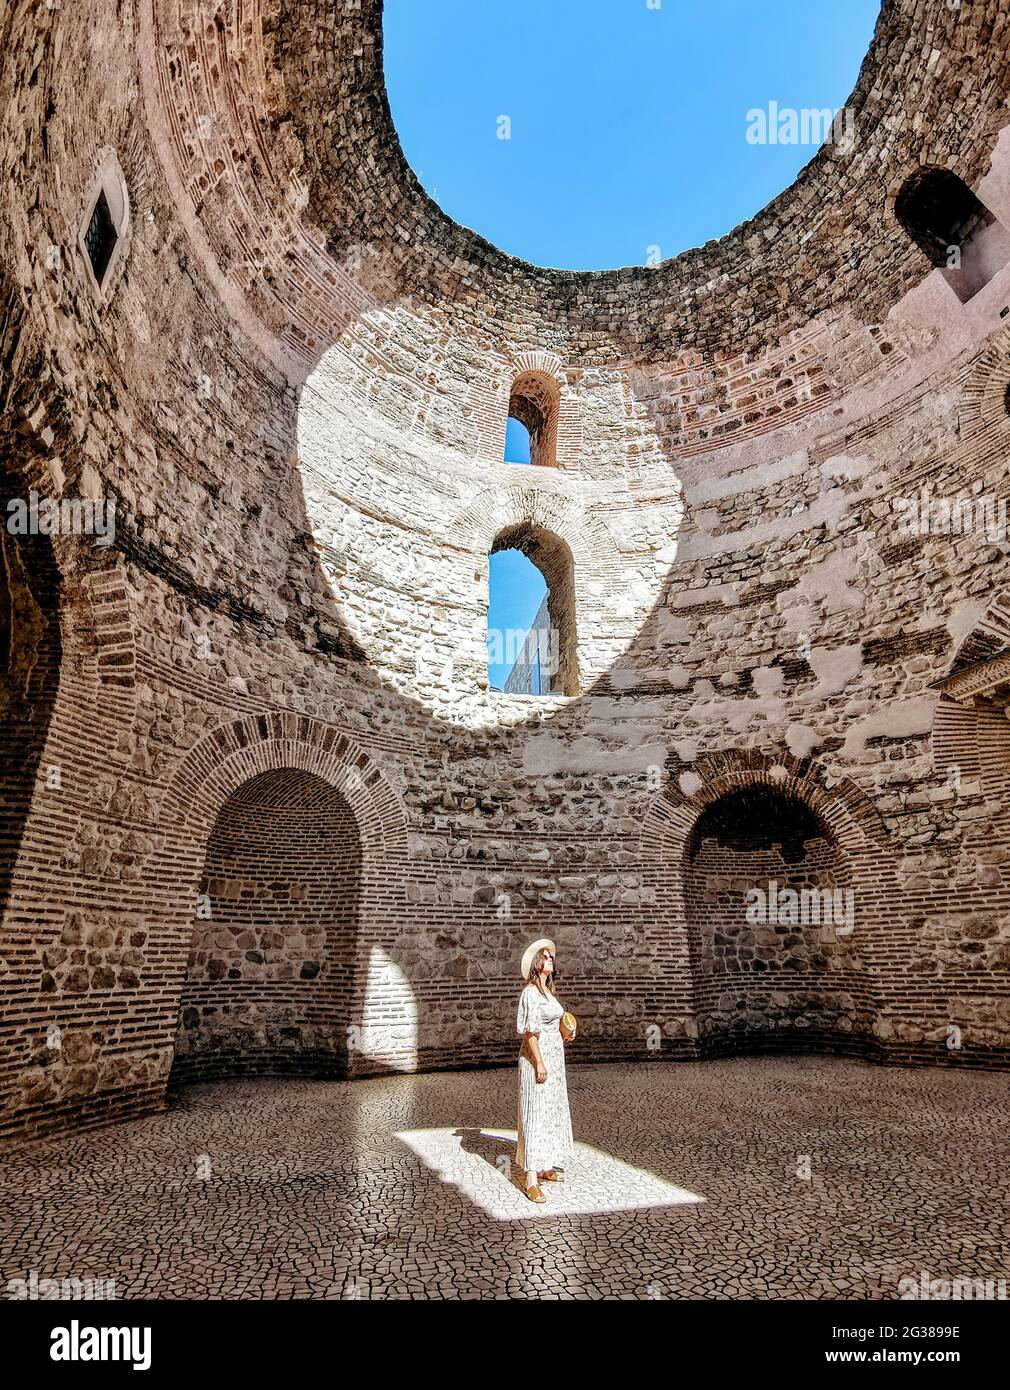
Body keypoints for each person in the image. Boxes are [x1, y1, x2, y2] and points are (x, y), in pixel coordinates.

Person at [514, 937, 574, 1202]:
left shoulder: (549, 991)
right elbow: (530, 1032)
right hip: (536, 1058)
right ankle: (530, 1178)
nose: (552, 959)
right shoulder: (530, 993)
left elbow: (556, 1021)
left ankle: (545, 1165)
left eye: (552, 957)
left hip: (555, 1056)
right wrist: (539, 1062)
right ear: (537, 963)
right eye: (547, 957)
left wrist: (566, 1031)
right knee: (534, 1112)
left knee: (549, 1111)